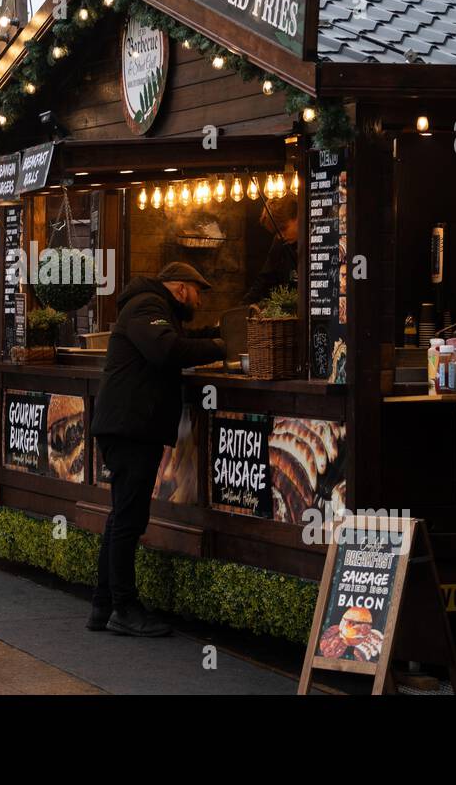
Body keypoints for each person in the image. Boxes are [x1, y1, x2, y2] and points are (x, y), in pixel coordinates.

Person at [89, 262, 224, 637]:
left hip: (128, 426)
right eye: (198, 292)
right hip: (131, 428)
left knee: (121, 517)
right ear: (181, 288)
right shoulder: (148, 306)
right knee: (129, 520)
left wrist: (217, 333)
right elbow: (167, 350)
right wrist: (219, 347)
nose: (198, 300)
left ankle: (103, 606)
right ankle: (125, 609)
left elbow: (176, 340)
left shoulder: (151, 307)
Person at [243, 195, 300, 305]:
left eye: (283, 229)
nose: (281, 236)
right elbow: (264, 278)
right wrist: (241, 308)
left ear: (298, 216)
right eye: (276, 232)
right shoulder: (279, 242)